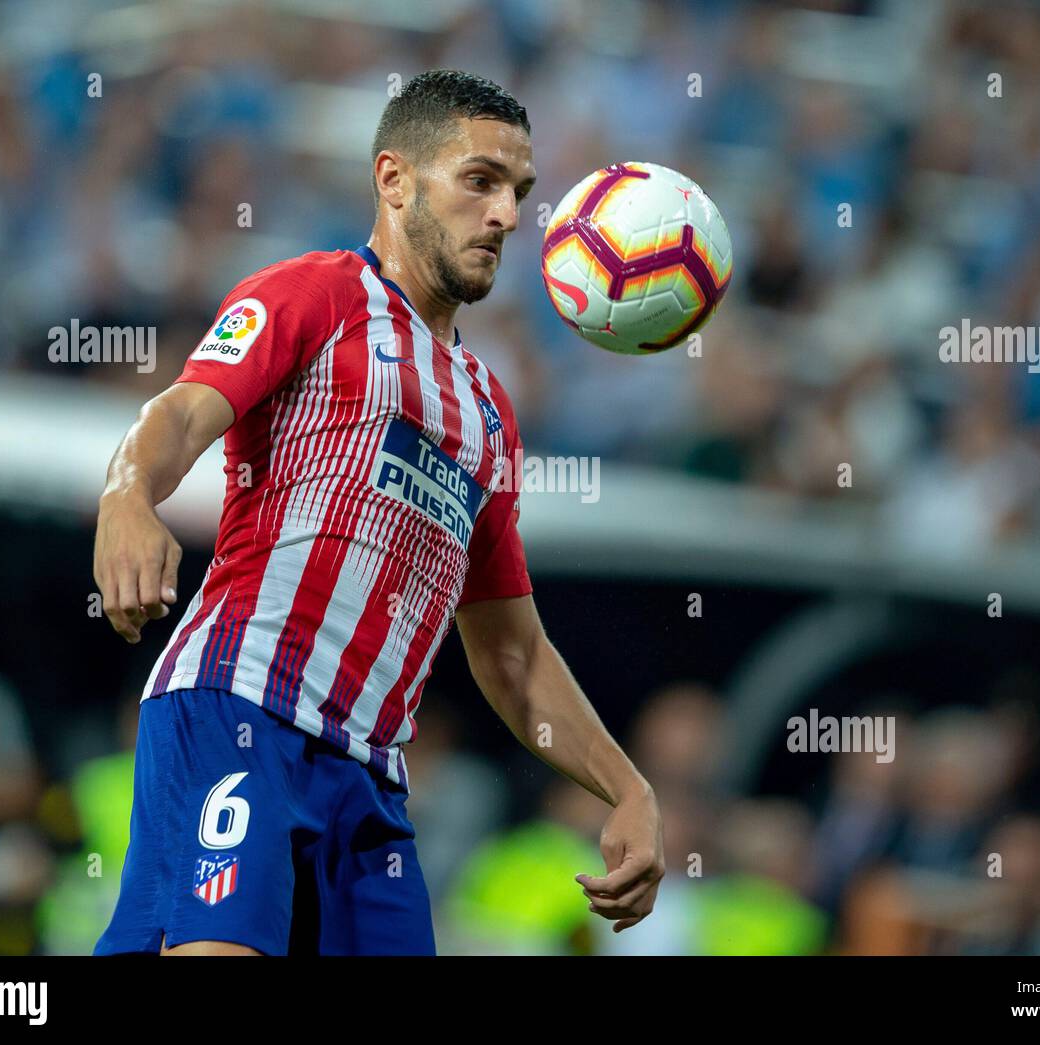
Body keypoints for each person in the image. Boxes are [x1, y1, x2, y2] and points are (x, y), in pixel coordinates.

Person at [91, 69, 663, 956]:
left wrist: (628, 789)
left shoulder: (488, 412)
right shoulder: (312, 295)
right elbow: (177, 412)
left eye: (519, 192)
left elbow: (510, 652)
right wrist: (128, 494)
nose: (508, 216)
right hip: (243, 708)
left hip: (371, 780)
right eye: (480, 181)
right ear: (394, 180)